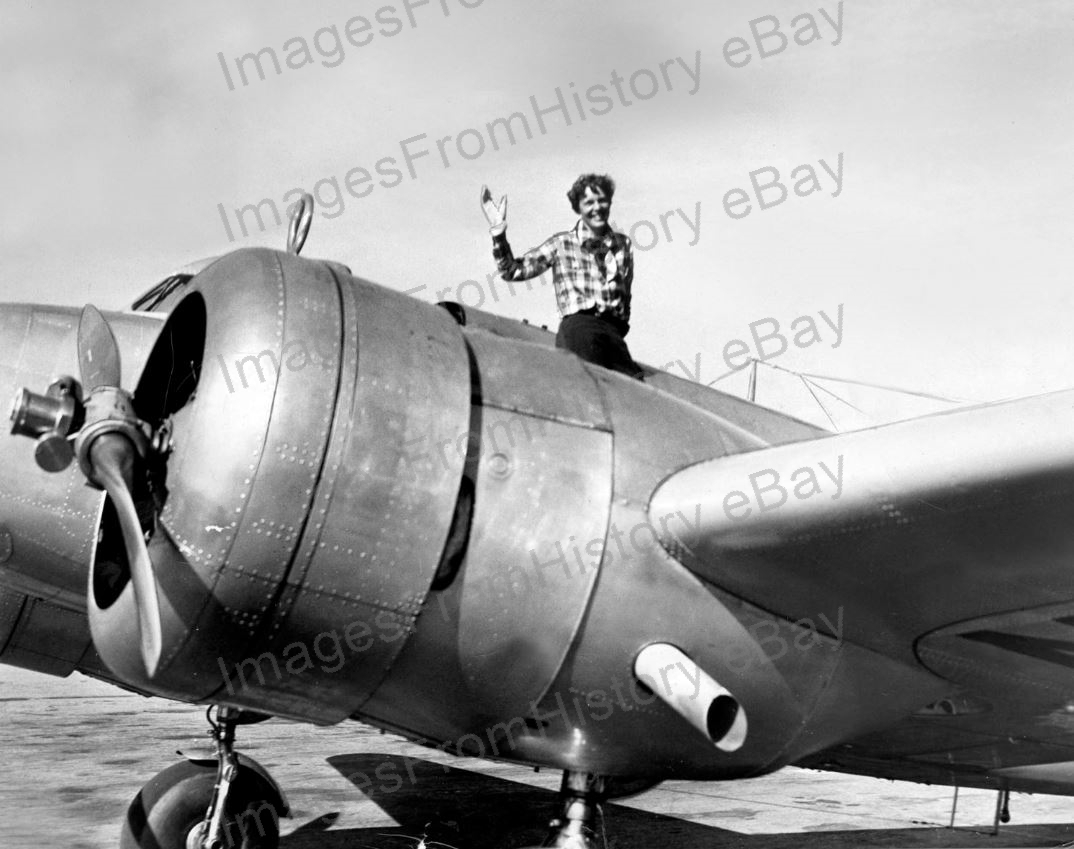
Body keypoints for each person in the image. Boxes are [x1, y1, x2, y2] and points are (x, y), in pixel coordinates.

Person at [480, 174, 643, 379]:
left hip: (613, 333)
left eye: (602, 200)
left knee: (636, 392)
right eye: (589, 202)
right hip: (580, 328)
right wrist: (498, 233)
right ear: (578, 208)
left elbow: (625, 294)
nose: (597, 207)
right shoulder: (561, 244)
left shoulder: (622, 245)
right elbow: (512, 270)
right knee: (592, 387)